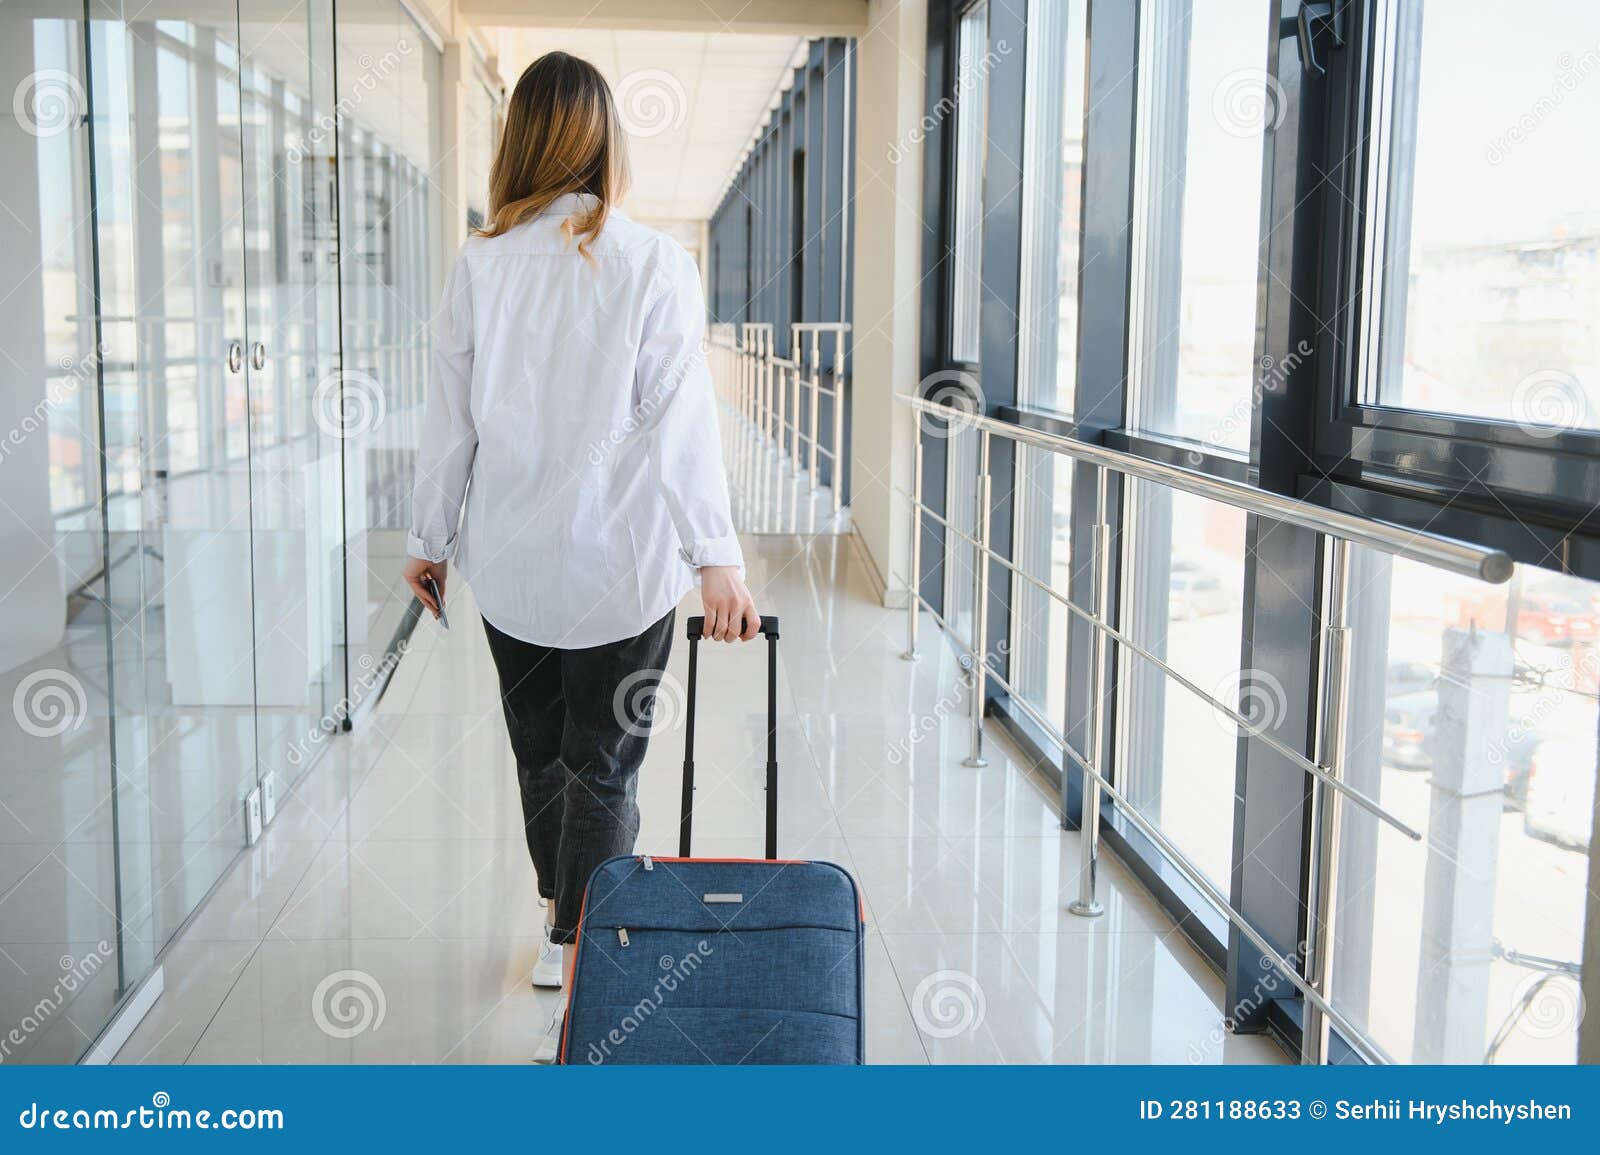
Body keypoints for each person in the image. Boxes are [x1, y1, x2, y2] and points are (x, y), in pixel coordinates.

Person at [401, 51, 759, 1058]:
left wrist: (428, 541)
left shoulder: (479, 264)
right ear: (607, 142)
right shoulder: (652, 263)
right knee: (601, 761)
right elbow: (680, 425)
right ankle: (581, 942)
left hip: (509, 565)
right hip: (627, 560)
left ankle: (562, 920)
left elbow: (451, 423)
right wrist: (713, 557)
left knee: (540, 752)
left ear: (520, 142)